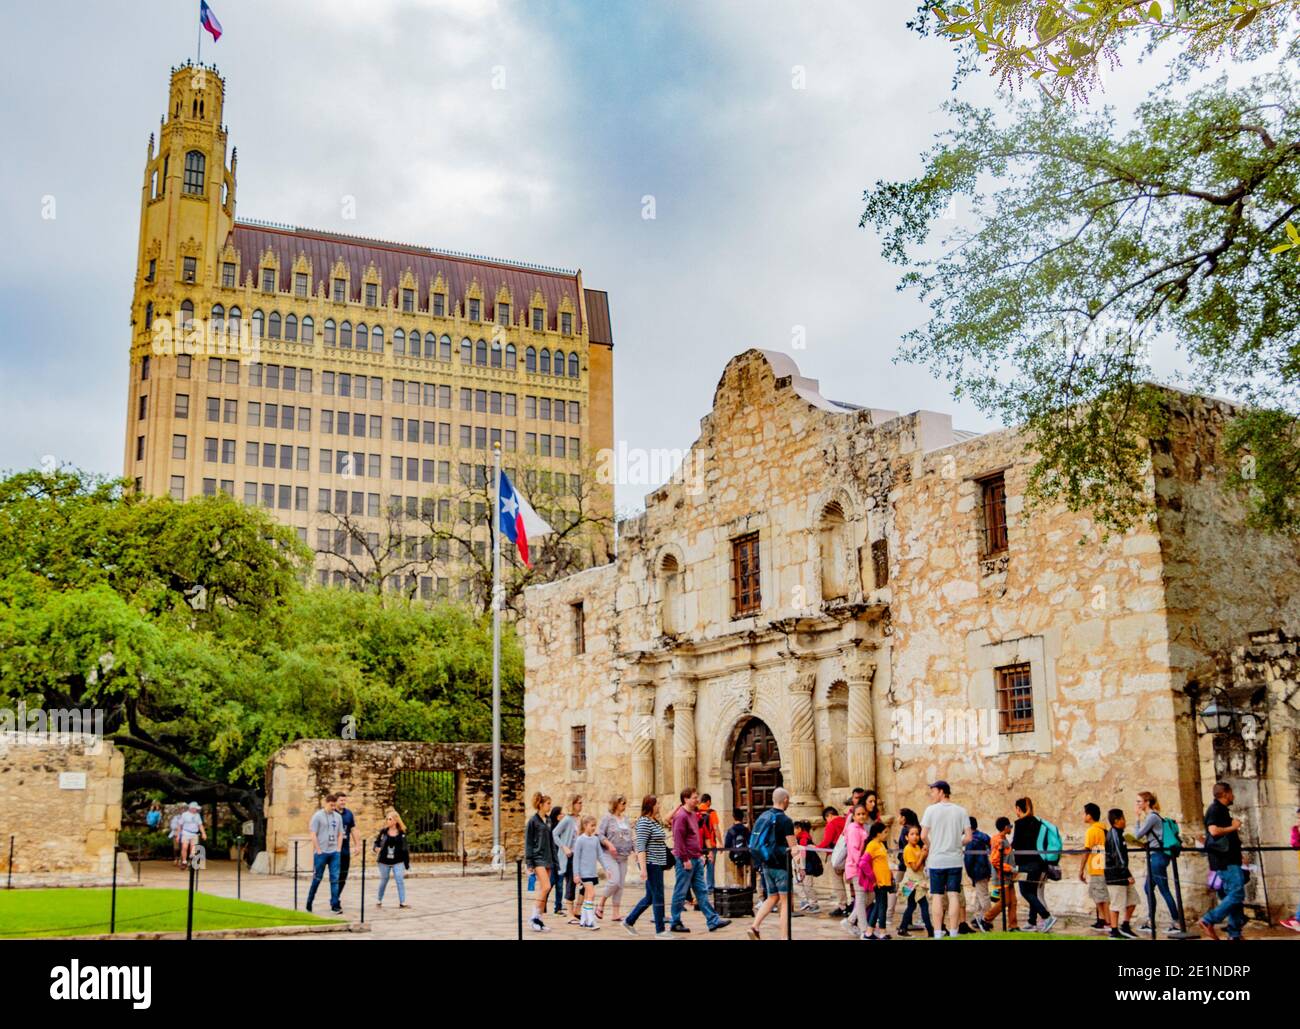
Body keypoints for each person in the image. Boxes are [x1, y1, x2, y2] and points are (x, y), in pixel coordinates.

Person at [670, 787, 731, 933]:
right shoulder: (681, 816)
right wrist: (685, 859)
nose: (697, 800)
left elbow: (695, 837)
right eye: (694, 797)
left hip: (695, 858)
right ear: (685, 799)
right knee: (681, 890)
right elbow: (678, 840)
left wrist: (700, 854)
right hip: (686, 859)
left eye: (697, 797)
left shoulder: (693, 814)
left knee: (702, 891)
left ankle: (712, 920)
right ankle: (675, 921)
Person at [920, 780, 971, 937]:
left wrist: (932, 845)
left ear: (941, 791)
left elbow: (923, 836)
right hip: (955, 859)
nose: (932, 795)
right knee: (954, 894)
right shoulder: (961, 811)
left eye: (933, 791)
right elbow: (968, 837)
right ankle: (954, 931)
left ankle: (937, 933)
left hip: (937, 860)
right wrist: (957, 844)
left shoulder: (930, 810)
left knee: (937, 896)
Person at [746, 787, 796, 940]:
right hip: (781, 866)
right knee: (785, 902)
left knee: (772, 897)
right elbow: (793, 847)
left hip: (766, 864)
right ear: (785, 800)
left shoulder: (764, 816)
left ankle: (755, 926)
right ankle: (784, 936)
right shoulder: (786, 820)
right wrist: (800, 866)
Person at [1198, 781, 1246, 941]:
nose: (1233, 796)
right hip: (1225, 861)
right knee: (1237, 893)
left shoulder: (1222, 810)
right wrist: (1234, 827)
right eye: (1231, 792)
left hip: (1231, 858)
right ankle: (1208, 919)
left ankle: (1235, 934)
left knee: (1234, 896)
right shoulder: (1215, 809)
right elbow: (1214, 830)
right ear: (1225, 793)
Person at [1133, 791, 1180, 934]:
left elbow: (1138, 835)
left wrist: (1137, 819)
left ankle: (1177, 922)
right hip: (1156, 856)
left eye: (1139, 801)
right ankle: (1150, 921)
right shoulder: (1153, 817)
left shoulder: (1152, 817)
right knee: (1148, 888)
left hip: (1158, 857)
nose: (1137, 804)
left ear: (1147, 802)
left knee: (1164, 889)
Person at [624, 795, 671, 937]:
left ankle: (629, 921)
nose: (659, 806)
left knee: (650, 897)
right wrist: (643, 869)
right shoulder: (644, 822)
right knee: (658, 896)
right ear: (650, 805)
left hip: (657, 862)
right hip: (651, 863)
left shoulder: (654, 821)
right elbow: (641, 846)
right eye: (657, 804)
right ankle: (660, 931)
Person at [1012, 796, 1056, 933]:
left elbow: (1017, 844)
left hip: (1025, 863)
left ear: (1019, 809)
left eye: (1016, 809)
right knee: (1032, 892)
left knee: (1025, 891)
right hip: (1039, 862)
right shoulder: (1038, 823)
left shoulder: (1019, 824)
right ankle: (1032, 921)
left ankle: (1047, 917)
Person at [596, 795, 634, 922]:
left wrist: (635, 849)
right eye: (623, 803)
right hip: (609, 855)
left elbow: (630, 836)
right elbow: (600, 834)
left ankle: (615, 913)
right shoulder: (608, 818)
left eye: (625, 803)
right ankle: (601, 903)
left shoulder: (626, 819)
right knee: (614, 881)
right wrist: (609, 844)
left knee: (620, 885)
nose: (625, 805)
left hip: (624, 855)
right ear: (615, 804)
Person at [1104, 808, 1140, 939]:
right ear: (1116, 821)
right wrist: (1127, 874)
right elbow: (1118, 856)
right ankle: (1114, 931)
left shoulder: (1120, 834)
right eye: (1123, 818)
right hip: (1115, 875)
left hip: (1122, 874)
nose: (1125, 821)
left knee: (1133, 900)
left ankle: (1125, 925)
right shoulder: (1113, 834)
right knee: (1116, 904)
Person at [305, 793, 343, 915]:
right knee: (317, 878)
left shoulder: (338, 817)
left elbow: (340, 833)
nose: (333, 808)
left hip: (334, 852)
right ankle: (309, 901)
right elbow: (313, 833)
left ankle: (335, 905)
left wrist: (338, 849)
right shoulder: (317, 816)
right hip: (321, 852)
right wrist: (318, 849)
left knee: (335, 879)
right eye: (331, 805)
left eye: (334, 805)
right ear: (326, 803)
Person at [524, 792, 557, 931]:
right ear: (541, 804)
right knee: (546, 887)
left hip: (548, 858)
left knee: (543, 890)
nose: (550, 806)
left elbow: (551, 842)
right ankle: (534, 917)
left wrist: (555, 860)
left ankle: (539, 920)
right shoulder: (533, 821)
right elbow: (529, 843)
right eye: (548, 803)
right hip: (537, 858)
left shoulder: (549, 820)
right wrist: (529, 863)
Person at [898, 823, 933, 937]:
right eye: (912, 834)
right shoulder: (908, 849)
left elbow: (921, 863)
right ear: (906, 837)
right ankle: (930, 930)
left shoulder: (917, 847)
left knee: (911, 905)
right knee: (923, 905)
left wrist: (925, 853)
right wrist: (922, 855)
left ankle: (902, 928)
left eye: (917, 834)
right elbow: (915, 867)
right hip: (911, 881)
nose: (915, 836)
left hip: (917, 879)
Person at [1079, 803, 1111, 933]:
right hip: (1103, 866)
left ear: (1089, 816)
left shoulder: (1092, 831)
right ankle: (1102, 920)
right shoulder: (1104, 829)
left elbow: (1086, 851)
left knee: (1101, 897)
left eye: (1084, 813)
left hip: (1097, 867)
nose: (1083, 816)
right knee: (1098, 895)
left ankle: (1108, 922)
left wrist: (1081, 870)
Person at [985, 815, 1019, 930]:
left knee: (1013, 902)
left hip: (1008, 877)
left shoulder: (1004, 839)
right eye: (1010, 826)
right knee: (1005, 901)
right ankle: (985, 919)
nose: (1011, 828)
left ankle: (1013, 926)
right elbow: (995, 860)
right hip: (1001, 877)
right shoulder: (998, 840)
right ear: (1006, 827)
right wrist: (1010, 868)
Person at [842, 802, 871, 936]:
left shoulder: (862, 828)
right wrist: (860, 864)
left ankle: (850, 920)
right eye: (858, 814)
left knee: (869, 897)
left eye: (863, 814)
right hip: (856, 867)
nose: (861, 816)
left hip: (862, 867)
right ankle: (864, 930)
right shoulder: (853, 829)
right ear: (853, 816)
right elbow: (854, 850)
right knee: (860, 898)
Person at [552, 794, 583, 923]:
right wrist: (564, 847)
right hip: (569, 857)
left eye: (581, 803)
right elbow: (554, 833)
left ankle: (577, 910)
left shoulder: (580, 819)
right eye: (579, 803)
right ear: (573, 804)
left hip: (580, 856)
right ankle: (570, 914)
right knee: (571, 883)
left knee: (585, 883)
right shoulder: (567, 819)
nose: (581, 805)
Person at [373, 808, 410, 909]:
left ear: (395, 820)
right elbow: (376, 842)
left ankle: (402, 902)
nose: (387, 821)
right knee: (384, 880)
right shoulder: (383, 832)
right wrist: (376, 848)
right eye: (387, 819)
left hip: (398, 861)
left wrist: (406, 864)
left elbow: (405, 849)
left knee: (399, 879)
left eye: (389, 819)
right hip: (384, 861)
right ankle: (379, 900)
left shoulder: (402, 834)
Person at [863, 820, 893, 940]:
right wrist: (873, 878)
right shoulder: (872, 845)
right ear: (878, 833)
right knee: (882, 906)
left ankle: (869, 932)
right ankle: (882, 932)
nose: (887, 835)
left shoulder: (881, 844)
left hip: (885, 881)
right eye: (885, 832)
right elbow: (863, 863)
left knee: (878, 906)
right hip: (879, 882)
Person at [572, 814, 603, 930]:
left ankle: (583, 920)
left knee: (587, 897)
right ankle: (590, 921)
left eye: (595, 825)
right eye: (592, 825)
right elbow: (576, 858)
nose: (594, 828)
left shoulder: (595, 839)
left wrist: (607, 867)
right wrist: (576, 874)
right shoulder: (580, 840)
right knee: (592, 894)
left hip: (592, 873)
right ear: (585, 826)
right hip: (584, 874)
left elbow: (600, 855)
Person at [817, 805, 848, 916]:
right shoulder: (846, 822)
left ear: (829, 816)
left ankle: (842, 905)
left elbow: (827, 841)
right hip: (848, 855)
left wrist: (815, 847)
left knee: (837, 881)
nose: (827, 822)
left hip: (835, 855)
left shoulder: (832, 824)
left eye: (826, 819)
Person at [964, 816, 992, 932]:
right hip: (985, 869)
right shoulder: (984, 837)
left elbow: (968, 860)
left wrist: (970, 874)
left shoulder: (971, 841)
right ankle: (978, 918)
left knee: (983, 896)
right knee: (981, 895)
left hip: (977, 871)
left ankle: (986, 919)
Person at [334, 791, 360, 903]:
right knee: (335, 875)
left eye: (344, 800)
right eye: (341, 800)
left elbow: (353, 829)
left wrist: (357, 845)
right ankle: (334, 899)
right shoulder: (331, 813)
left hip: (345, 849)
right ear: (336, 801)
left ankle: (336, 896)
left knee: (343, 875)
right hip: (333, 850)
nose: (343, 802)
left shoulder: (349, 814)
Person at [793, 821, 822, 914]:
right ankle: (806, 902)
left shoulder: (803, 839)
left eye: (794, 829)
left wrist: (801, 867)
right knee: (800, 885)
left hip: (807, 867)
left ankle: (814, 904)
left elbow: (803, 855)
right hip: (805, 866)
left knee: (808, 886)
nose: (793, 831)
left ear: (799, 829)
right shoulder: (802, 837)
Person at [1281, 806, 1300, 933]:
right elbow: (1295, 845)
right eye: (1298, 817)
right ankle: (1298, 919)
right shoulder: (1296, 829)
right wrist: (1297, 830)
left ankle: (1298, 919)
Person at [698, 793, 721, 894]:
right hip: (711, 844)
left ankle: (699, 887)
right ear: (708, 801)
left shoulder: (696, 811)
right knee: (710, 867)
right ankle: (710, 888)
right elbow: (716, 828)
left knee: (699, 868)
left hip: (698, 844)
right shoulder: (712, 813)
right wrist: (720, 842)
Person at [724, 808, 752, 889]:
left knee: (737, 875)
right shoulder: (746, 830)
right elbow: (750, 843)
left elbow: (727, 845)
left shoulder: (730, 830)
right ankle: (747, 888)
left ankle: (739, 890)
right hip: (746, 856)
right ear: (742, 817)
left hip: (734, 856)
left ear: (733, 817)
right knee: (748, 872)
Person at [547, 804, 565, 914]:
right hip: (554, 859)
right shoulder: (551, 828)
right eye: (562, 813)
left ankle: (558, 907)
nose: (564, 815)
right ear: (557, 815)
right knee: (551, 882)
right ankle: (542, 903)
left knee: (560, 883)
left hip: (561, 858)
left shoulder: (562, 827)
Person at [178, 802, 206, 867]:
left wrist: (203, 833)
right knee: (184, 847)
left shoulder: (197, 815)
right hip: (186, 832)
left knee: (193, 848)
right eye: (195, 808)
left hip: (194, 833)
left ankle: (191, 861)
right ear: (191, 808)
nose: (196, 810)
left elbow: (200, 825)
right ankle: (184, 861)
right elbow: (180, 825)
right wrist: (178, 835)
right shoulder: (184, 815)